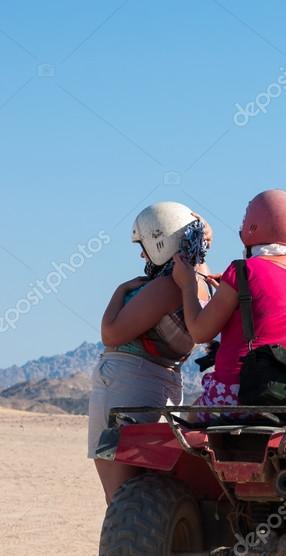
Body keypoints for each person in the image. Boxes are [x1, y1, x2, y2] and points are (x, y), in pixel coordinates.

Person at [91, 202, 212, 505]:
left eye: (144, 246)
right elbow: (203, 241)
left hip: (126, 383)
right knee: (150, 488)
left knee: (120, 495)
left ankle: (126, 551)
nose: (142, 255)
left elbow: (110, 333)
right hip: (163, 383)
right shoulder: (200, 281)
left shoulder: (165, 286)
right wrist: (199, 233)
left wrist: (121, 289)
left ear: (161, 242)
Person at [172, 189, 286, 411]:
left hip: (239, 395)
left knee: (186, 422)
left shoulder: (243, 271)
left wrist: (188, 285)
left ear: (252, 228)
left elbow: (200, 332)